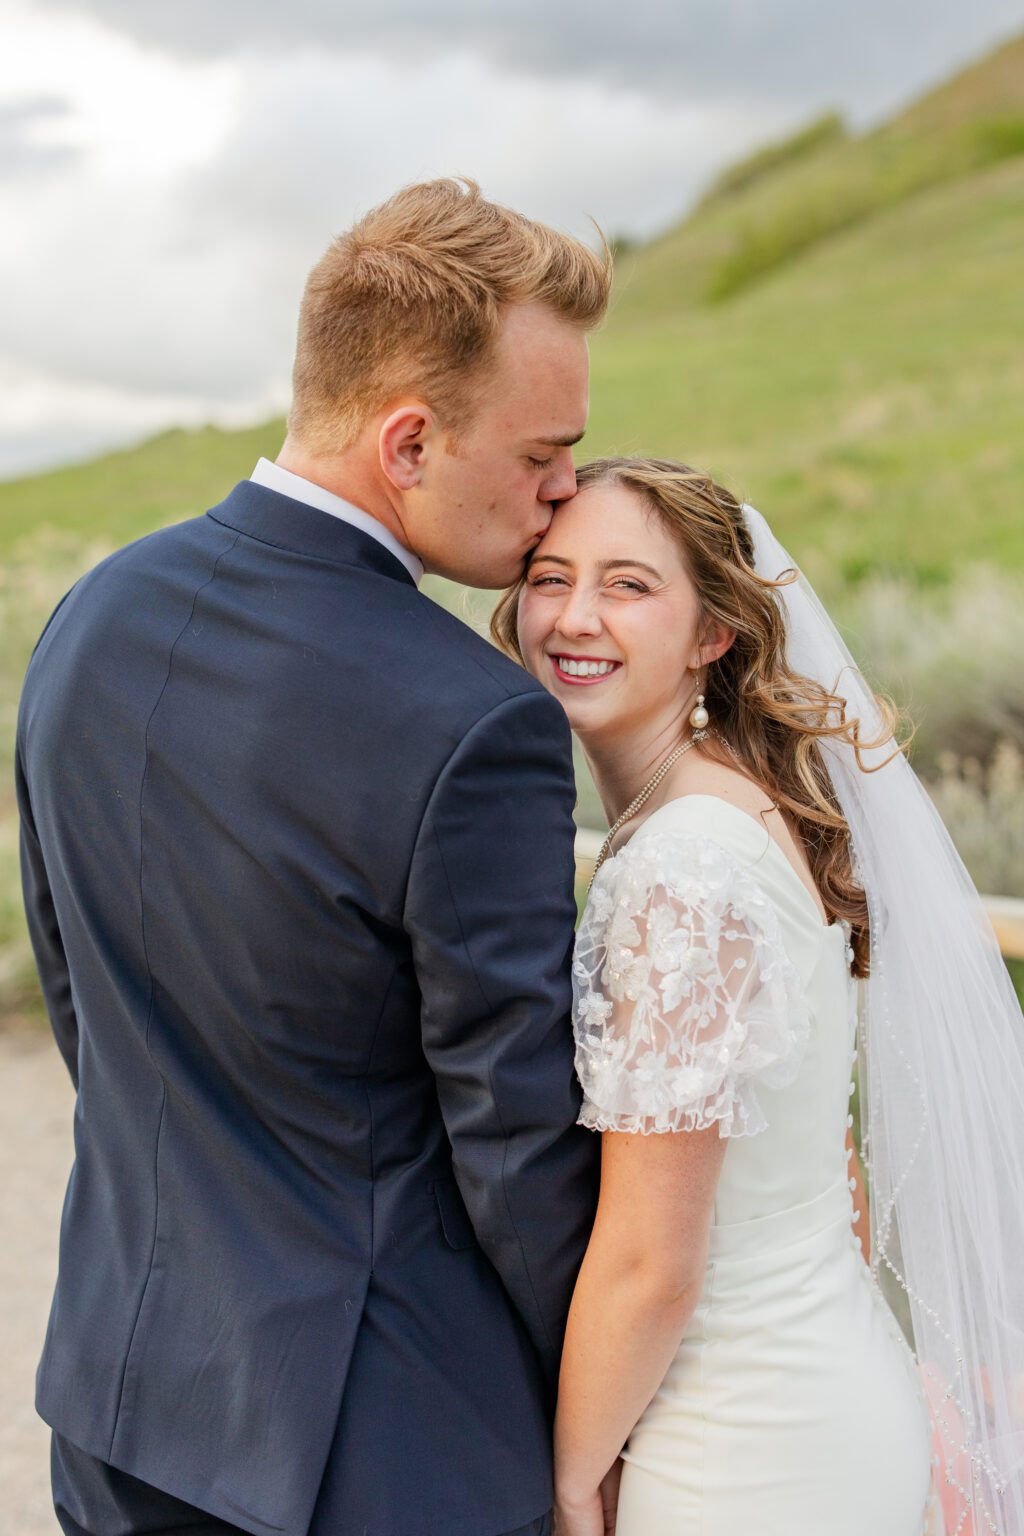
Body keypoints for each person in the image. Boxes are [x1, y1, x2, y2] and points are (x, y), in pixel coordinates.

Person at [16, 179, 611, 1536]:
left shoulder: (92, 616)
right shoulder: (477, 721)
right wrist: (605, 1425)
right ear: (408, 442)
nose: (564, 491)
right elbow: (515, 1147)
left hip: (119, 1404)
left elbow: (87, 1006)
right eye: (543, 454)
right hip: (386, 1452)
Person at [494, 456, 1024, 1535]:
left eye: (629, 585)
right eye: (551, 577)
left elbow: (653, 1261)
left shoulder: (684, 866)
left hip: (739, 1452)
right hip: (822, 1391)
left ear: (712, 634)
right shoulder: (744, 806)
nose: (574, 617)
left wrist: (567, 1475)